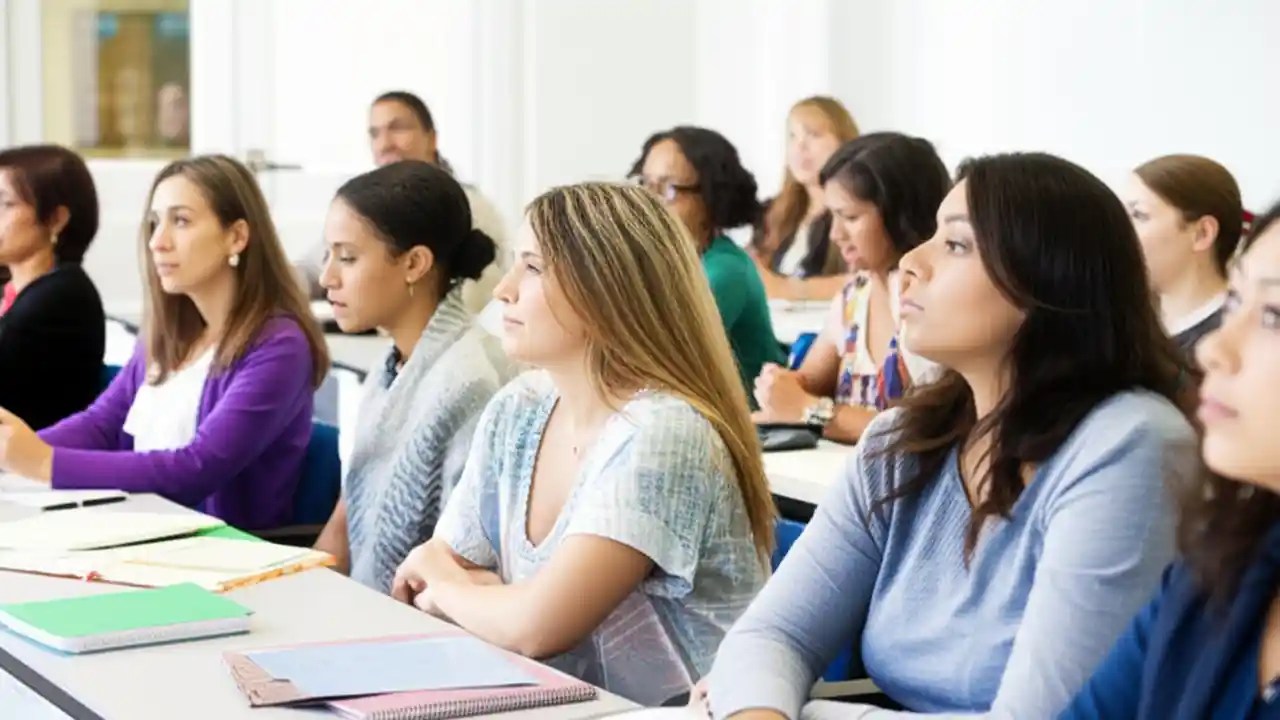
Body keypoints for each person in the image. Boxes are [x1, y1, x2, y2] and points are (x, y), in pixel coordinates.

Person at [704, 153, 1199, 719]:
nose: (912, 262)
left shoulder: (1128, 445)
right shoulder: (903, 438)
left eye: (957, 245)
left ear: (1046, 279)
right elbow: (770, 634)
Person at [390, 182, 775, 706]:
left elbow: (536, 626)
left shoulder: (663, 433)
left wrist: (452, 589)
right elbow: (452, 560)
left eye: (532, 267)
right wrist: (467, 588)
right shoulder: (518, 407)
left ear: (607, 290)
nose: (504, 289)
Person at [0, 155, 329, 531]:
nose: (158, 242)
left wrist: (43, 462)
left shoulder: (279, 345)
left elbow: (196, 468)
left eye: (181, 221)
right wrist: (12, 451)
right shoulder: (170, 332)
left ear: (236, 236)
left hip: (220, 556)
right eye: (155, 223)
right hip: (137, 533)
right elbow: (103, 425)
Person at [1059, 201, 1280, 720]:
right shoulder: (1216, 572)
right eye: (1234, 301)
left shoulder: (1132, 437)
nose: (1212, 351)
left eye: (1273, 316)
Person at [312, 160, 514, 593]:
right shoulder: (391, 367)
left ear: (414, 263)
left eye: (347, 257)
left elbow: (464, 564)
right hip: (361, 613)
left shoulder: (467, 382)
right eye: (327, 255)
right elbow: (346, 518)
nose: (327, 277)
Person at [752, 133, 948, 443]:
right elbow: (809, 383)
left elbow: (918, 428)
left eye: (850, 217)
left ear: (901, 214)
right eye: (832, 216)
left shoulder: (935, 302)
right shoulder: (855, 296)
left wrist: (810, 409)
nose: (835, 234)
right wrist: (781, 387)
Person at [294, 90, 508, 313]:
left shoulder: (469, 210)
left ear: (431, 138)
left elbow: (477, 297)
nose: (384, 144)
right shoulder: (365, 208)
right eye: (375, 134)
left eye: (398, 128)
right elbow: (312, 270)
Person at [631, 126, 785, 394]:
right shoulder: (667, 261)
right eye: (645, 183)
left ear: (711, 197)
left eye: (668, 188)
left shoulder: (726, 271)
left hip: (751, 424)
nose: (649, 200)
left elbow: (662, 359)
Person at [0, 145, 105, 430]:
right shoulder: (15, 287)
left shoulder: (62, 297)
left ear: (56, 219)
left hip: (30, 467)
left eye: (4, 204)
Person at [1124, 154, 1245, 355]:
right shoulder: (1128, 320)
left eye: (1139, 215)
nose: (1120, 229)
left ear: (1202, 233)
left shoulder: (1232, 345)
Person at [751, 96, 860, 301]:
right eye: (792, 136)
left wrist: (789, 289)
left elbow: (867, 282)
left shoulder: (859, 213)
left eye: (813, 135)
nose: (800, 146)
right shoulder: (773, 211)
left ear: (844, 143)